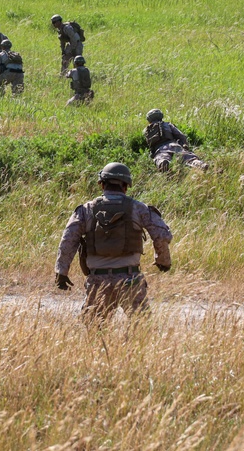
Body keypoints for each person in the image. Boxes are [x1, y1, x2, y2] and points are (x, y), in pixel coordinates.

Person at [54, 162, 172, 325]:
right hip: (130, 280)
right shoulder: (139, 208)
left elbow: (68, 240)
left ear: (102, 184)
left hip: (98, 280)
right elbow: (161, 235)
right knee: (142, 330)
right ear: (126, 186)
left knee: (95, 333)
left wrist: (61, 270)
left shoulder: (86, 209)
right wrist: (163, 260)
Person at [143, 109, 208, 172]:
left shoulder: (146, 130)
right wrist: (185, 145)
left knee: (161, 159)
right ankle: (199, 164)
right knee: (187, 157)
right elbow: (180, 135)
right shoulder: (168, 124)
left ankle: (163, 163)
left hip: (160, 149)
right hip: (174, 145)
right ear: (161, 116)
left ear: (149, 119)